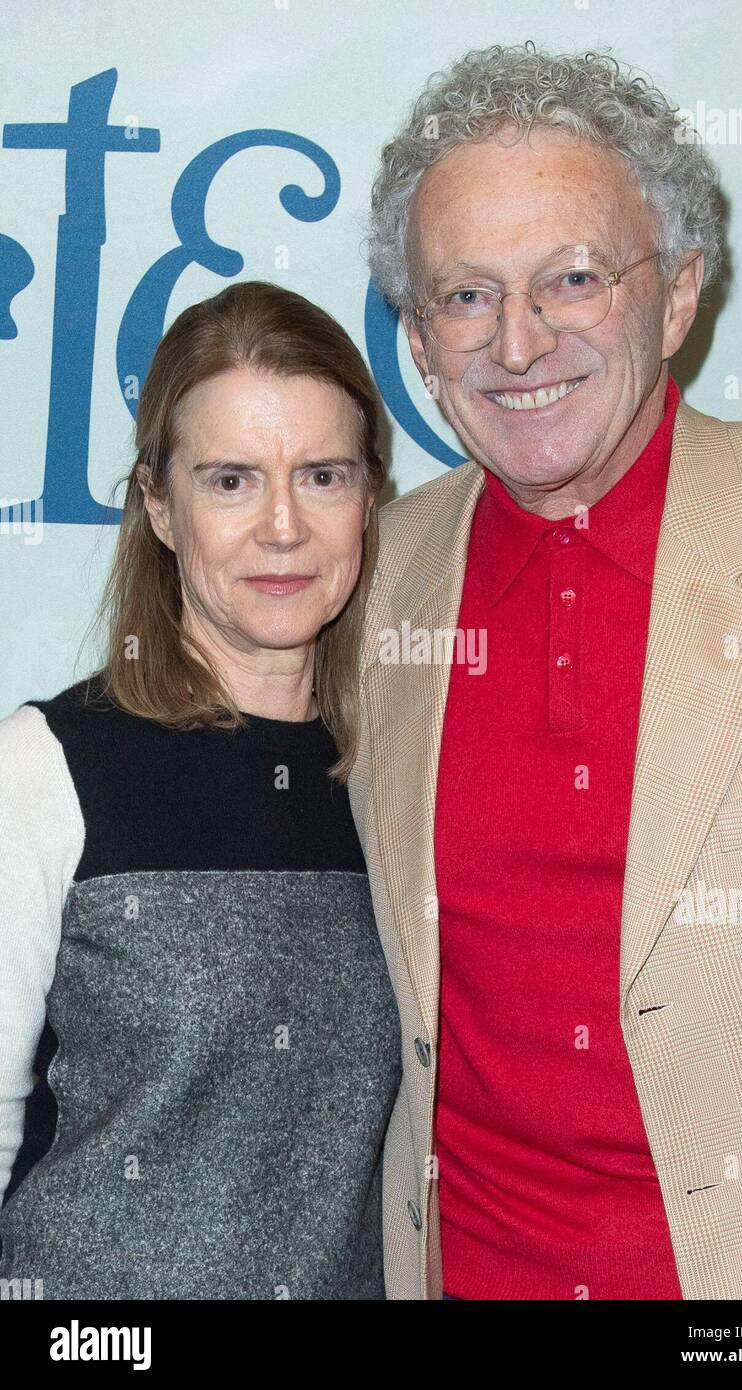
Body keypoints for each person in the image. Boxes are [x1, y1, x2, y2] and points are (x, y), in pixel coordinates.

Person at [352, 42, 742, 1300]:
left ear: (678, 292)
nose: (516, 343)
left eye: (571, 279)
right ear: (417, 337)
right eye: (463, 297)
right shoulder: (367, 580)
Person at [0, 279, 402, 1299]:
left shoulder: (408, 778)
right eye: (230, 479)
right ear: (159, 505)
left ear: (369, 498)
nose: (281, 527)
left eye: (321, 475)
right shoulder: (50, 767)